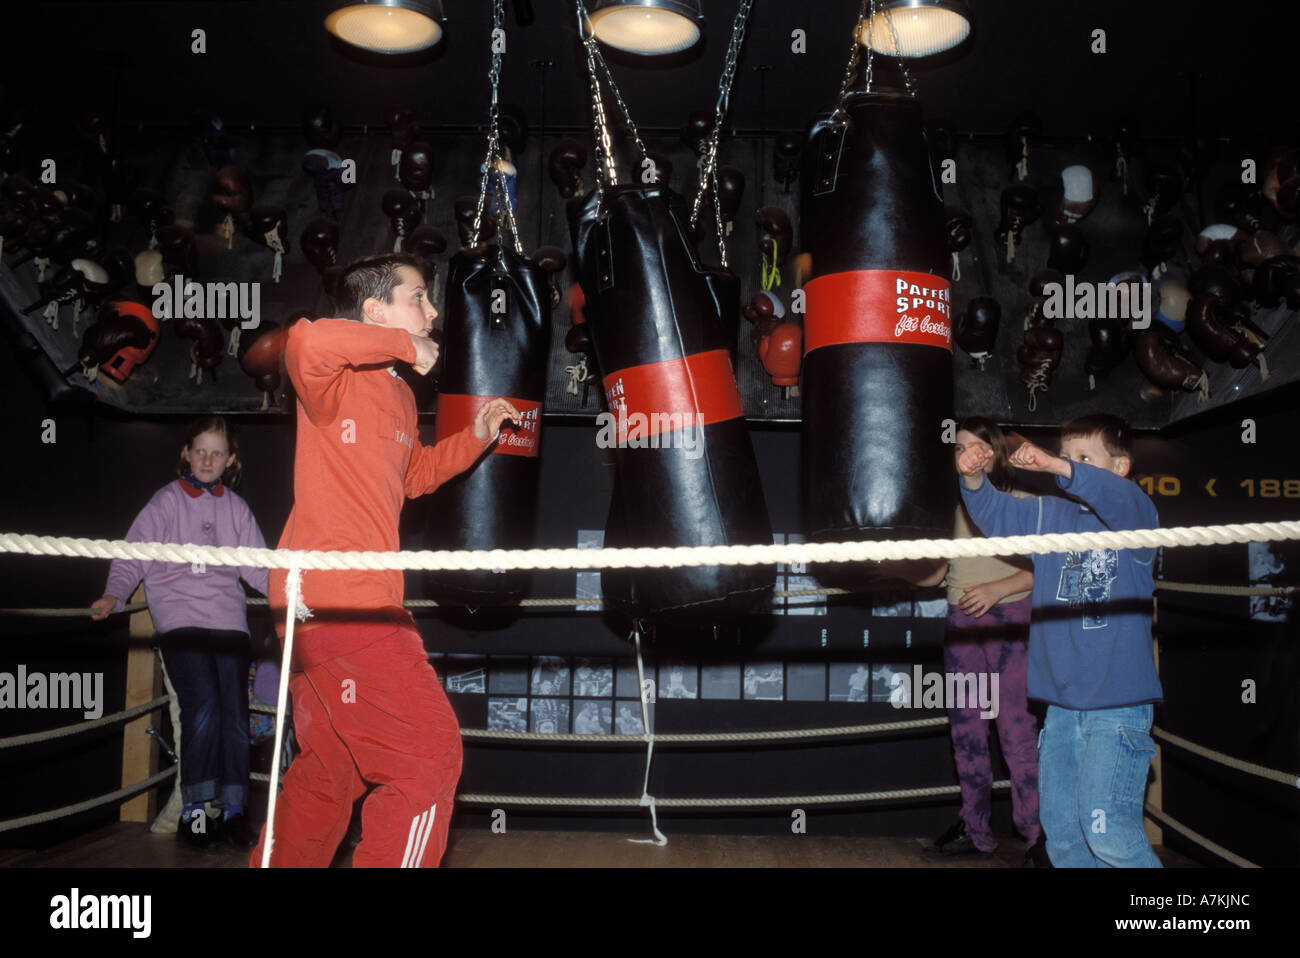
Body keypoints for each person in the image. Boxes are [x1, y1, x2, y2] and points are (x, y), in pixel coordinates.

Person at [250, 252, 518, 868]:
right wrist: (400, 343)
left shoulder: (396, 396)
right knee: (429, 759)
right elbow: (303, 341)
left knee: (329, 774)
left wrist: (476, 436)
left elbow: (414, 476)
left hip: (320, 607)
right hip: (343, 601)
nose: (431, 311)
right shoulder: (335, 379)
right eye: (417, 297)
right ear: (374, 310)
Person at [956, 414, 1162, 868]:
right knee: (1065, 839)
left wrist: (1055, 465)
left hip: (1118, 706)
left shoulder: (1138, 518)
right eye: (1067, 455)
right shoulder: (1052, 516)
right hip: (1061, 710)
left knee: (1109, 833)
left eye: (1084, 458)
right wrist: (973, 480)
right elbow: (995, 516)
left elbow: (1117, 498)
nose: (1069, 466)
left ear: (1121, 467)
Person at [92, 416, 270, 850]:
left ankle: (232, 812)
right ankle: (196, 814)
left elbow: (260, 570)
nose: (208, 460)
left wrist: (297, 600)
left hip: (228, 624)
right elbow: (133, 555)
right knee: (203, 707)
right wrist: (112, 594)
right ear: (187, 455)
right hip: (181, 620)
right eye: (200, 451)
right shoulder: (165, 503)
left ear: (230, 460)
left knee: (233, 716)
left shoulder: (237, 509)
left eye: (217, 453)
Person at [919, 418, 1045, 866]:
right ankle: (976, 830)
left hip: (1012, 620)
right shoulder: (947, 508)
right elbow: (937, 573)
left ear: (994, 453)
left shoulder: (1024, 504)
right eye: (959, 447)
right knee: (967, 732)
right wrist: (892, 571)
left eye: (977, 446)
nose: (968, 454)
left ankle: (1036, 840)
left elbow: (1045, 569)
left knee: (1016, 732)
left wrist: (998, 589)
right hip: (962, 624)